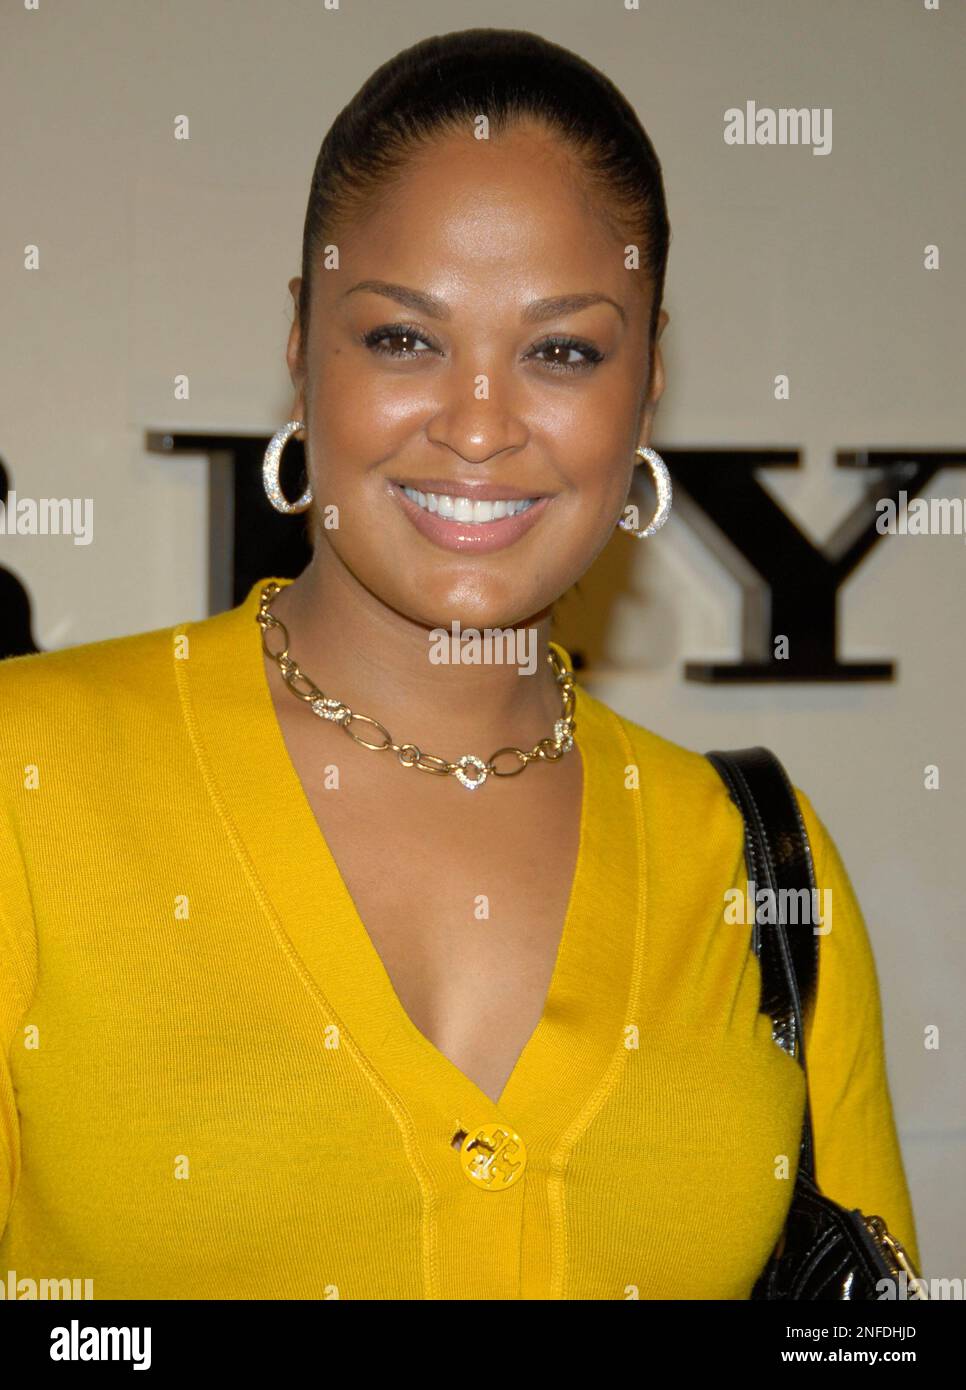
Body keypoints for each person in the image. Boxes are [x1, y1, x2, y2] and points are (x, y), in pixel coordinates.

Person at [0, 28, 919, 1300]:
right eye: (402, 339)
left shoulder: (762, 862)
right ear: (300, 344)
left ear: (647, 378)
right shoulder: (26, 779)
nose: (479, 424)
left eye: (562, 350)